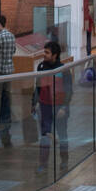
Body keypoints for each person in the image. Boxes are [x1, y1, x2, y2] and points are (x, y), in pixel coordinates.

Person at [33, 41, 69, 174]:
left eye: (47, 52)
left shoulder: (63, 69)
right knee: (44, 135)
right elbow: (37, 86)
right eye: (45, 52)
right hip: (44, 107)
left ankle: (64, 160)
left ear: (55, 54)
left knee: (62, 134)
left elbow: (69, 90)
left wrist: (64, 107)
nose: (44, 55)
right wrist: (34, 102)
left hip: (59, 107)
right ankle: (43, 164)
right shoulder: (41, 67)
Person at [0, 15, 17, 147]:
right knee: (7, 98)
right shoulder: (11, 35)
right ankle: (7, 125)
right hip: (9, 70)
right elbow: (13, 51)